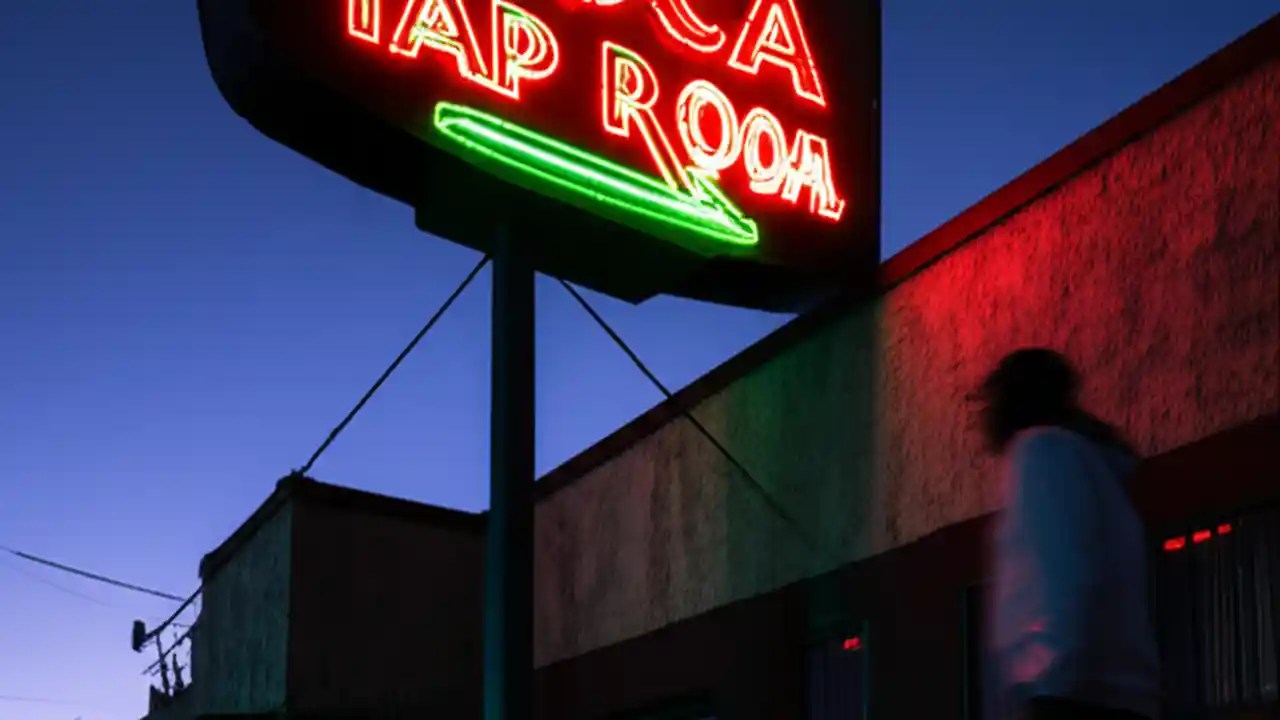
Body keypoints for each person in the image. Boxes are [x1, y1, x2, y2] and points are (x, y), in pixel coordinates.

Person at [973, 348, 1160, 720]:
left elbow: (1064, 575)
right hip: (1110, 696)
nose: (982, 414)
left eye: (989, 398)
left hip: (1068, 696)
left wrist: (1045, 679)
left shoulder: (1041, 453)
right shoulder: (1092, 465)